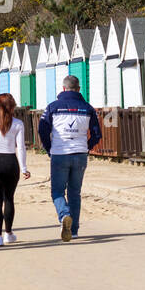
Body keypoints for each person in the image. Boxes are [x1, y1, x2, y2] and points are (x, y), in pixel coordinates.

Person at [38, 75, 101, 241]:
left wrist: (49, 148)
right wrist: (87, 147)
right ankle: (73, 230)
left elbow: (42, 129)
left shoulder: (53, 107)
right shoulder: (87, 108)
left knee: (57, 191)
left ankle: (64, 214)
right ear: (79, 89)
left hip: (60, 153)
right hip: (80, 154)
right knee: (75, 193)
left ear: (63, 88)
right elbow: (96, 134)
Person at [0, 92, 30, 247]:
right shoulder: (18, 123)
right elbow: (20, 148)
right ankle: (8, 233)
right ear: (13, 106)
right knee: (9, 199)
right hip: (10, 163)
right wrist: (24, 168)